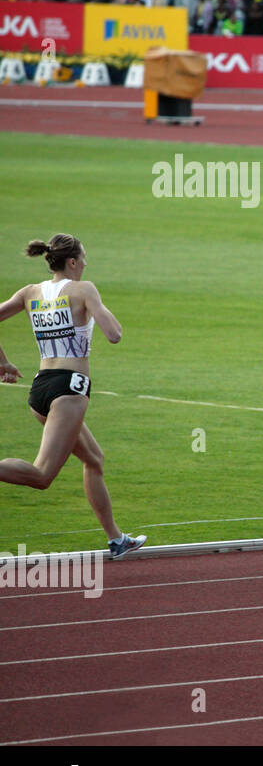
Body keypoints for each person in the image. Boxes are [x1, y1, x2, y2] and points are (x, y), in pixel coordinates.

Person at [0, 234, 145, 559]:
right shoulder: (84, 289)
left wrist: (3, 361)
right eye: (85, 258)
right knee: (41, 476)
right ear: (73, 262)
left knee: (94, 460)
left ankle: (116, 539)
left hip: (42, 388)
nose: (87, 264)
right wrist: (99, 314)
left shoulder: (30, 292)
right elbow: (115, 335)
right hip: (69, 388)